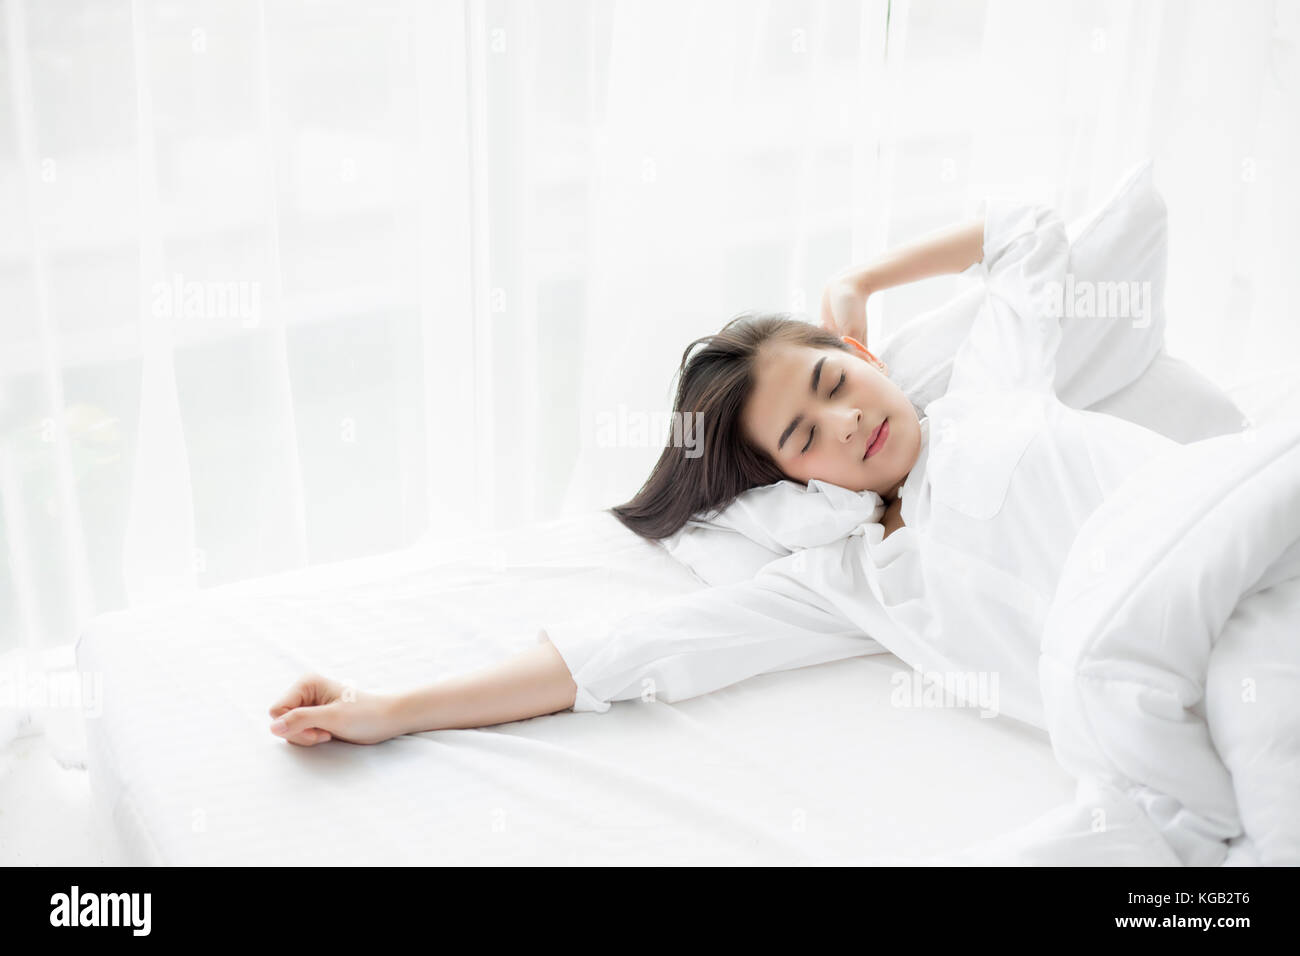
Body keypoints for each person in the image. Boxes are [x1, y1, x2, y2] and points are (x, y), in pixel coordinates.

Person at [269, 196, 1171, 745]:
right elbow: (626, 653)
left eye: (833, 380)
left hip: (1208, 536)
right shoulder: (846, 582)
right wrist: (389, 708)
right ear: (787, 479)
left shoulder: (988, 390)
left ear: (865, 356)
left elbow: (1029, 234)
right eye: (804, 436)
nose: (845, 420)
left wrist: (855, 282)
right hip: (1152, 698)